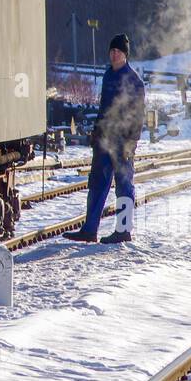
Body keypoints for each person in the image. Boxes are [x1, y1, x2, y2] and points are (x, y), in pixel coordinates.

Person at [65, 33, 146, 244]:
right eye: (112, 50)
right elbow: (104, 107)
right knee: (97, 183)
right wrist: (96, 131)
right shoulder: (108, 75)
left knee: (124, 184)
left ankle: (124, 230)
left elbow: (138, 115)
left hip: (122, 141)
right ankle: (90, 229)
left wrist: (131, 141)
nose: (113, 54)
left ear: (125, 54)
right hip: (105, 138)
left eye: (118, 51)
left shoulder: (134, 80)